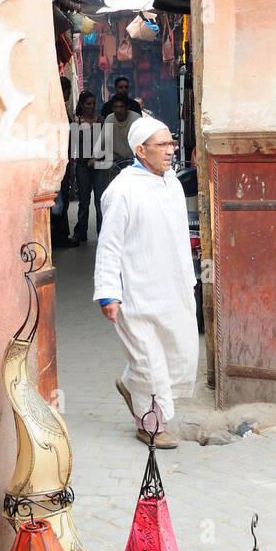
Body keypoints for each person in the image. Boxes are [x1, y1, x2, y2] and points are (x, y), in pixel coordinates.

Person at [93, 116, 198, 449]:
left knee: (175, 355)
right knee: (149, 363)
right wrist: (109, 293)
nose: (170, 151)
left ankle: (128, 384)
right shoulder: (121, 192)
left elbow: (180, 239)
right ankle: (150, 426)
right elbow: (109, 245)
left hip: (173, 291)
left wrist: (190, 280)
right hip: (136, 294)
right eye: (162, 145)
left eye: (171, 143)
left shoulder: (173, 184)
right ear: (140, 150)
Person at [71, 90, 104, 243]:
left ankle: (102, 233)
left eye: (93, 104)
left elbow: (106, 143)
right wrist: (72, 166)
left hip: (99, 165)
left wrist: (97, 157)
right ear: (82, 105)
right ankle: (81, 233)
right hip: (83, 166)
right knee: (84, 201)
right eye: (88, 104)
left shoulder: (101, 121)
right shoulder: (76, 122)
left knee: (100, 201)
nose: (91, 107)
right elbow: (73, 146)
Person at [51, 76, 80, 250]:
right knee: (59, 199)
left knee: (61, 198)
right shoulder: (58, 110)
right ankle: (60, 236)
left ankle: (60, 234)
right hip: (59, 159)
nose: (69, 94)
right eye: (68, 90)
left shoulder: (58, 109)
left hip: (61, 158)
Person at [97, 93, 140, 186]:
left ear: (127, 107)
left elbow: (141, 140)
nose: (119, 110)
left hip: (133, 160)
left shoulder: (136, 119)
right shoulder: (110, 118)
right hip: (115, 161)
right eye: (116, 107)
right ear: (112, 108)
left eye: (122, 107)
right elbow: (102, 139)